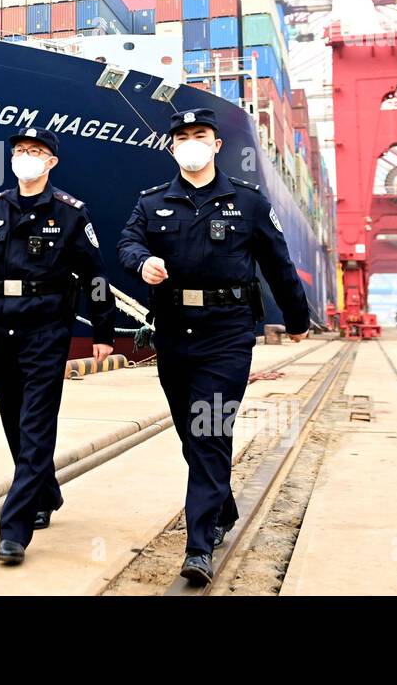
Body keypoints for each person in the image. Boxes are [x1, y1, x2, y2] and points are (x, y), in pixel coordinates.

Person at [116, 107, 310, 586]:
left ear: (217, 144)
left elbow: (278, 264)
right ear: (171, 147)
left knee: (209, 431)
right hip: (174, 331)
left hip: (227, 333)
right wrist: (141, 263)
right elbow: (126, 244)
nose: (192, 143)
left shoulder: (247, 201)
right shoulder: (151, 202)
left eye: (200, 134)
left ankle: (199, 545)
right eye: (182, 137)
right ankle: (221, 506)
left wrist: (298, 319)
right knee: (191, 433)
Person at [0, 127, 116, 565]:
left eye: (36, 151)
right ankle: (45, 492)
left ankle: (14, 529)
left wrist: (104, 333)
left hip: (46, 329)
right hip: (0, 326)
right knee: (14, 419)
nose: (26, 157)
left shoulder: (72, 213)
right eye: (20, 151)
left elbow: (95, 274)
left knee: (36, 424)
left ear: (51, 162)